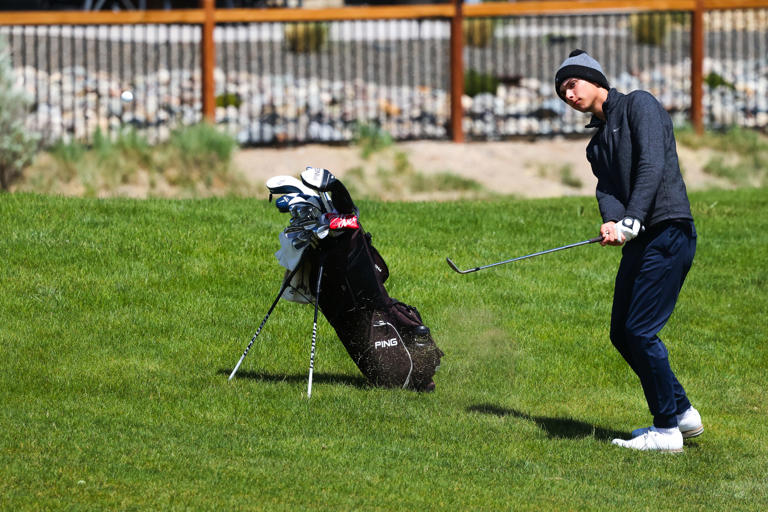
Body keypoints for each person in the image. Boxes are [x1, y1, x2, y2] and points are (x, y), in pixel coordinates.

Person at [554, 49, 702, 452]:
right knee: (622, 332)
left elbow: (652, 164)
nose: (568, 94)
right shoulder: (596, 145)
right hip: (640, 239)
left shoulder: (640, 104)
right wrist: (611, 219)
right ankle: (683, 413)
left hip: (668, 231)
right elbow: (607, 188)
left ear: (595, 79)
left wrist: (633, 219)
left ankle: (666, 430)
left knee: (641, 329)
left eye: (572, 84)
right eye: (561, 91)